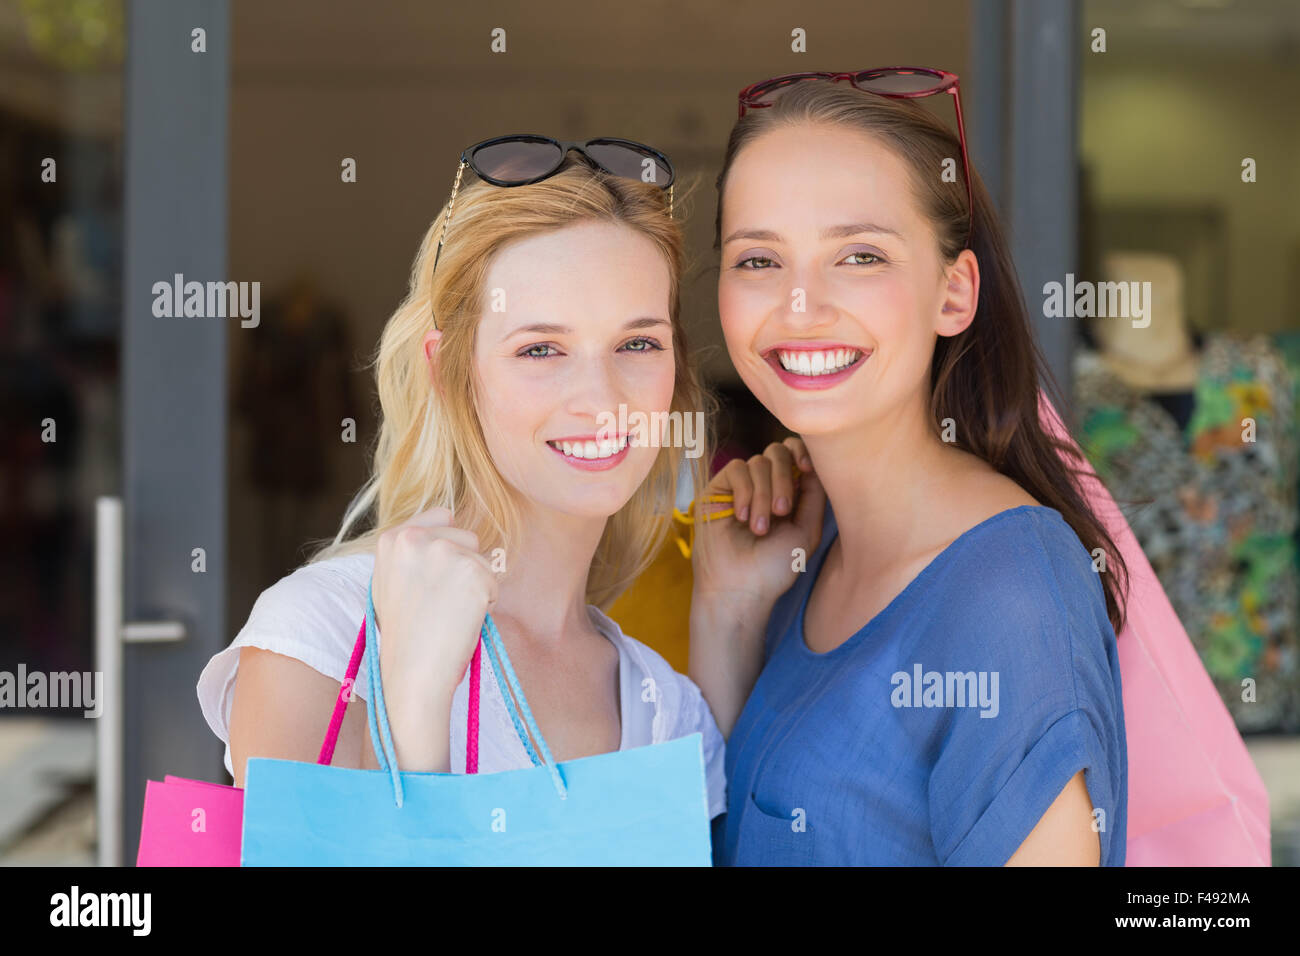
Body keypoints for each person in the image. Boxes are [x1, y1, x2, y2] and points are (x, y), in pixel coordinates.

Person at [198, 136, 727, 821]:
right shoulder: (323, 634)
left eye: (637, 343)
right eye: (541, 348)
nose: (601, 398)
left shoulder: (663, 706)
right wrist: (411, 706)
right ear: (448, 373)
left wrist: (732, 609)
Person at [688, 74, 1130, 864]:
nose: (798, 306)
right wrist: (727, 612)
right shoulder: (807, 559)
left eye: (859, 255)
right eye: (757, 260)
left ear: (954, 293)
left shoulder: (1012, 595)